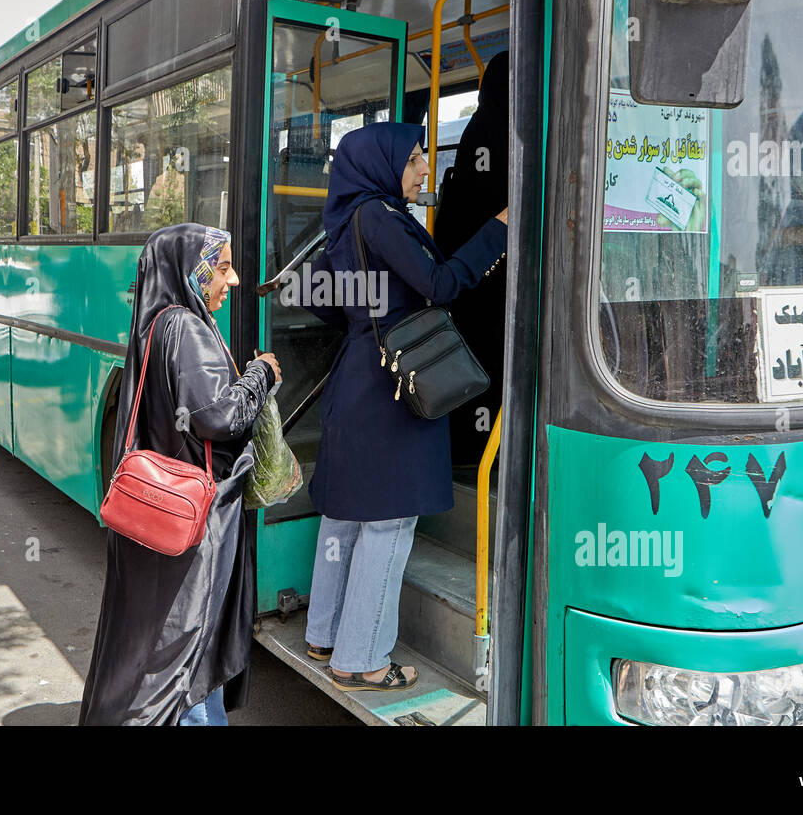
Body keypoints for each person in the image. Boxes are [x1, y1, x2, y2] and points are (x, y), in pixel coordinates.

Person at [305, 122, 507, 690]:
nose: (425, 168)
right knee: (388, 526)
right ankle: (362, 659)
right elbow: (440, 285)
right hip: (392, 391)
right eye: (415, 157)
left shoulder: (345, 221)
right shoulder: (379, 216)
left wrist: (366, 323)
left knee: (344, 515)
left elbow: (326, 302)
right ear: (379, 165)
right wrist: (497, 229)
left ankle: (323, 635)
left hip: (357, 381)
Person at [80, 224, 280, 725]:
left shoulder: (156, 323)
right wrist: (262, 375)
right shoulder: (186, 328)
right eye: (223, 267)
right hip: (195, 525)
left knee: (164, 646)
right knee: (187, 651)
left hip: (159, 515)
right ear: (191, 271)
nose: (231, 281)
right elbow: (219, 416)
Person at [434, 51, 509, 467]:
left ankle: (472, 448)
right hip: (486, 277)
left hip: (472, 282)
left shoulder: (478, 131)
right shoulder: (501, 135)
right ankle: (484, 453)